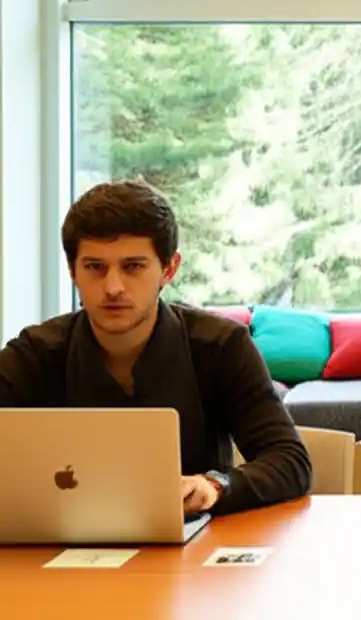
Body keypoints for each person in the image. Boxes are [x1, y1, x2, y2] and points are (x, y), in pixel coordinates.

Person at [0, 179, 311, 515]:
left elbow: (289, 461)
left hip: (195, 539)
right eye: (94, 267)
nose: (113, 287)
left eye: (133, 267)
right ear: (73, 271)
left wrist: (214, 486)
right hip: (55, 539)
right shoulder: (34, 353)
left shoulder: (221, 346)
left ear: (169, 269)